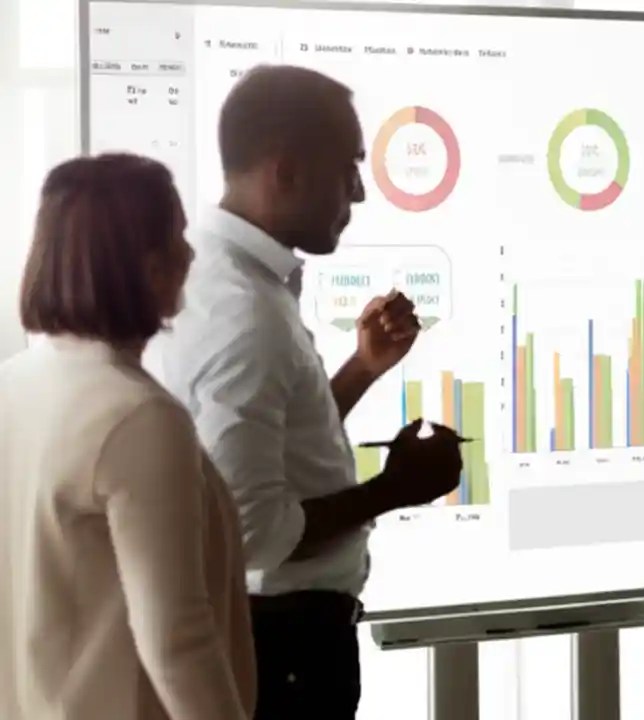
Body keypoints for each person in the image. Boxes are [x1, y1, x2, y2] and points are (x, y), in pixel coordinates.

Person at [157, 65, 463, 719]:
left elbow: (269, 450)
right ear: (287, 171)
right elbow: (252, 531)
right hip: (281, 652)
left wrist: (360, 370)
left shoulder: (221, 276)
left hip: (274, 643)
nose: (359, 190)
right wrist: (396, 488)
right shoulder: (243, 311)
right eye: (349, 167)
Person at [0, 154, 255, 718]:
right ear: (141, 264)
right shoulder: (138, 417)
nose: (189, 253)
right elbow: (178, 640)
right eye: (175, 236)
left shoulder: (14, 384)